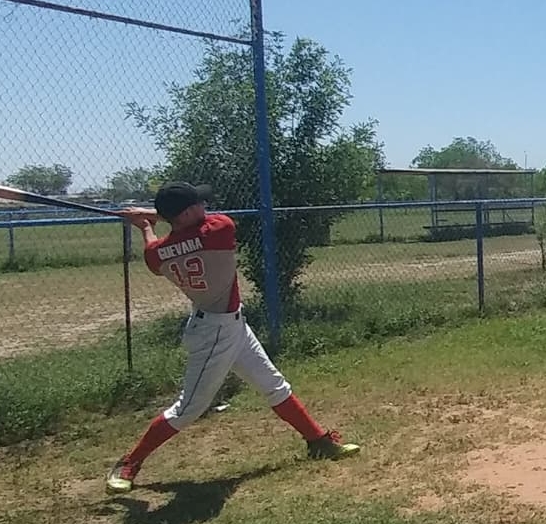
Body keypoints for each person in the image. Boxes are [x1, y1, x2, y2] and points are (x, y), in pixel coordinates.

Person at [108, 182, 360, 494]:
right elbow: (204, 226)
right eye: (198, 203)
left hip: (229, 324)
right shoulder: (219, 229)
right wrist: (152, 216)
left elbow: (155, 250)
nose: (204, 206)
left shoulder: (155, 254)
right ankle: (129, 462)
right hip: (214, 332)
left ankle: (318, 441)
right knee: (188, 409)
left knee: (274, 385)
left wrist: (146, 225)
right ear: (187, 212)